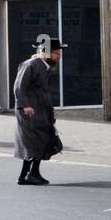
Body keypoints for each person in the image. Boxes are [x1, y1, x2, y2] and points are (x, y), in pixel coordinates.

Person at [13, 38, 66, 185]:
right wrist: (25, 105)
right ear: (46, 53)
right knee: (34, 143)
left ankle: (29, 175)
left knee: (41, 141)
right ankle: (28, 175)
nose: (59, 56)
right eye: (56, 53)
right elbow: (19, 87)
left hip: (41, 111)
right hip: (30, 112)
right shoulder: (30, 64)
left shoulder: (44, 66)